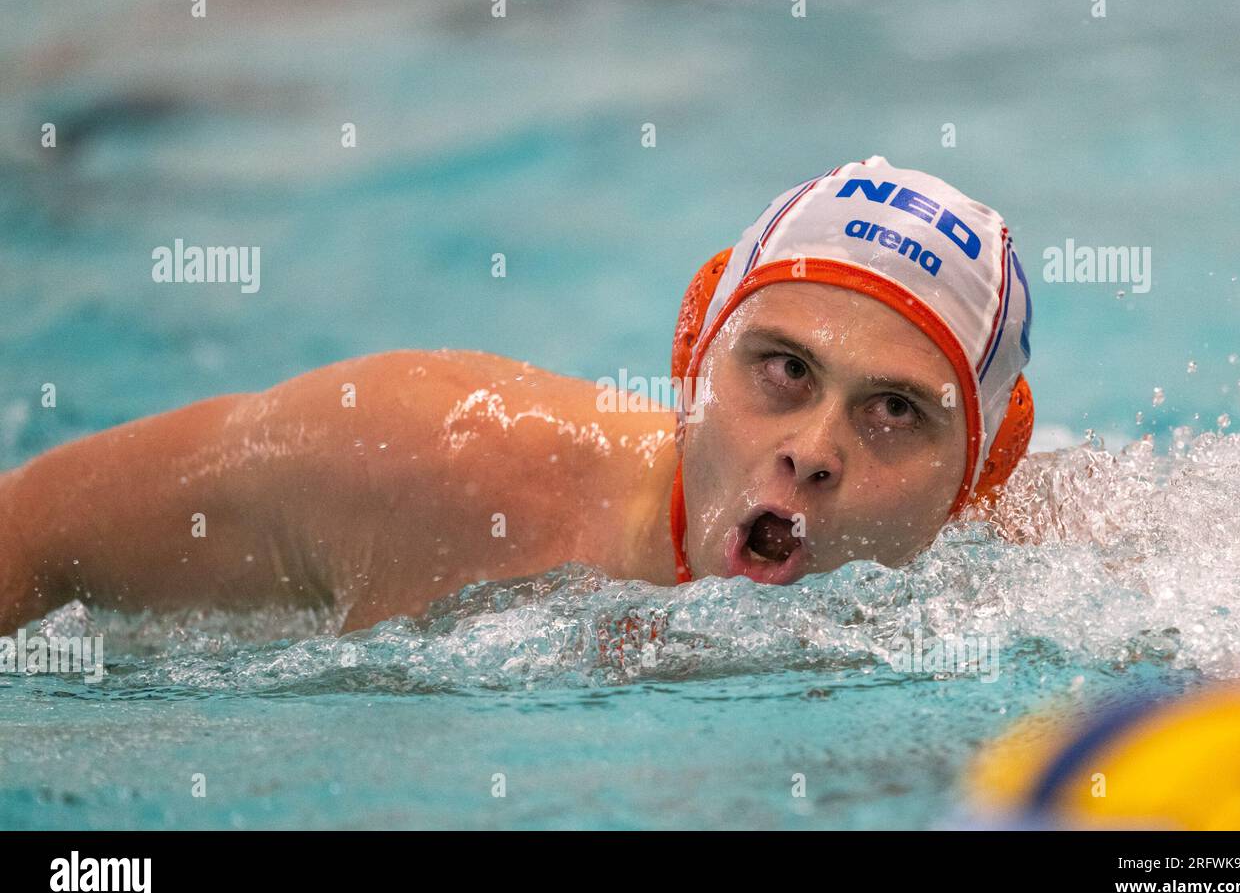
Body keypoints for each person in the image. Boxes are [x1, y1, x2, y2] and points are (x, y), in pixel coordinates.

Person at [0, 156, 1034, 634]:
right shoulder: (426, 455)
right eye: (782, 370)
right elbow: (30, 533)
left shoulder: (1043, 606)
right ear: (689, 355)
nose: (813, 448)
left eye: (895, 410)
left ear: (977, 475)